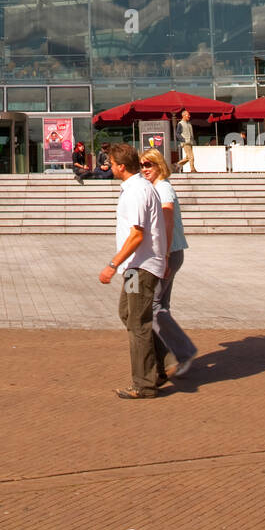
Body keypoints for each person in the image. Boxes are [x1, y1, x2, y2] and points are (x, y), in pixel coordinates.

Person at [98, 142, 167, 399]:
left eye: (112, 164)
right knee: (128, 313)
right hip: (135, 267)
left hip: (140, 266)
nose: (109, 167)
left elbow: (138, 234)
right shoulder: (136, 188)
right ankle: (161, 364)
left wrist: (112, 264)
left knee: (136, 320)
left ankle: (144, 383)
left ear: (122, 166)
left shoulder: (137, 191)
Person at [140, 148, 198, 379]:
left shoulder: (163, 188)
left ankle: (183, 352)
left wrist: (162, 257)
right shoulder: (157, 187)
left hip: (169, 253)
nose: (144, 169)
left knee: (153, 306)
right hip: (171, 252)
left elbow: (166, 222)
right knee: (161, 305)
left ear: (159, 166)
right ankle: (165, 360)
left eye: (149, 165)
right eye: (142, 165)